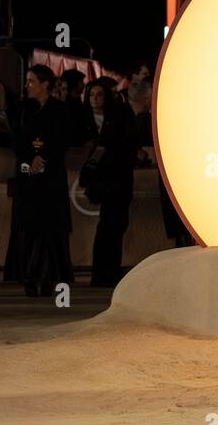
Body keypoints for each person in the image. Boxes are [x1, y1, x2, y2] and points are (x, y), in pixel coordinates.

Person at [11, 66, 74, 297]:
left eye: (31, 81)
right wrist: (30, 158)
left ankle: (49, 277)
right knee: (29, 228)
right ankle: (28, 276)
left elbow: (63, 139)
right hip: (28, 179)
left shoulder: (60, 110)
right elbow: (16, 139)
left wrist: (44, 157)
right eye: (27, 81)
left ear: (45, 83)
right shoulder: (22, 110)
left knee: (50, 229)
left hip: (51, 178)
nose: (27, 85)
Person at [84, 77, 138, 288]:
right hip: (100, 181)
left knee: (115, 226)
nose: (95, 99)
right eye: (91, 95)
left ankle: (109, 271)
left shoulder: (120, 116)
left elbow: (127, 146)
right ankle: (101, 273)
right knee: (107, 227)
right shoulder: (84, 119)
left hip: (118, 179)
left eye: (99, 94)